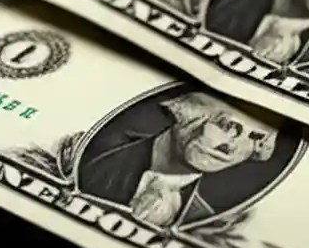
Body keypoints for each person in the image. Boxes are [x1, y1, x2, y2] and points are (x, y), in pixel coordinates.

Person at [77, 91, 278, 228]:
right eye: (227, 126)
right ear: (190, 116)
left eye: (255, 139)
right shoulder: (89, 158)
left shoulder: (202, 219)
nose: (231, 148)